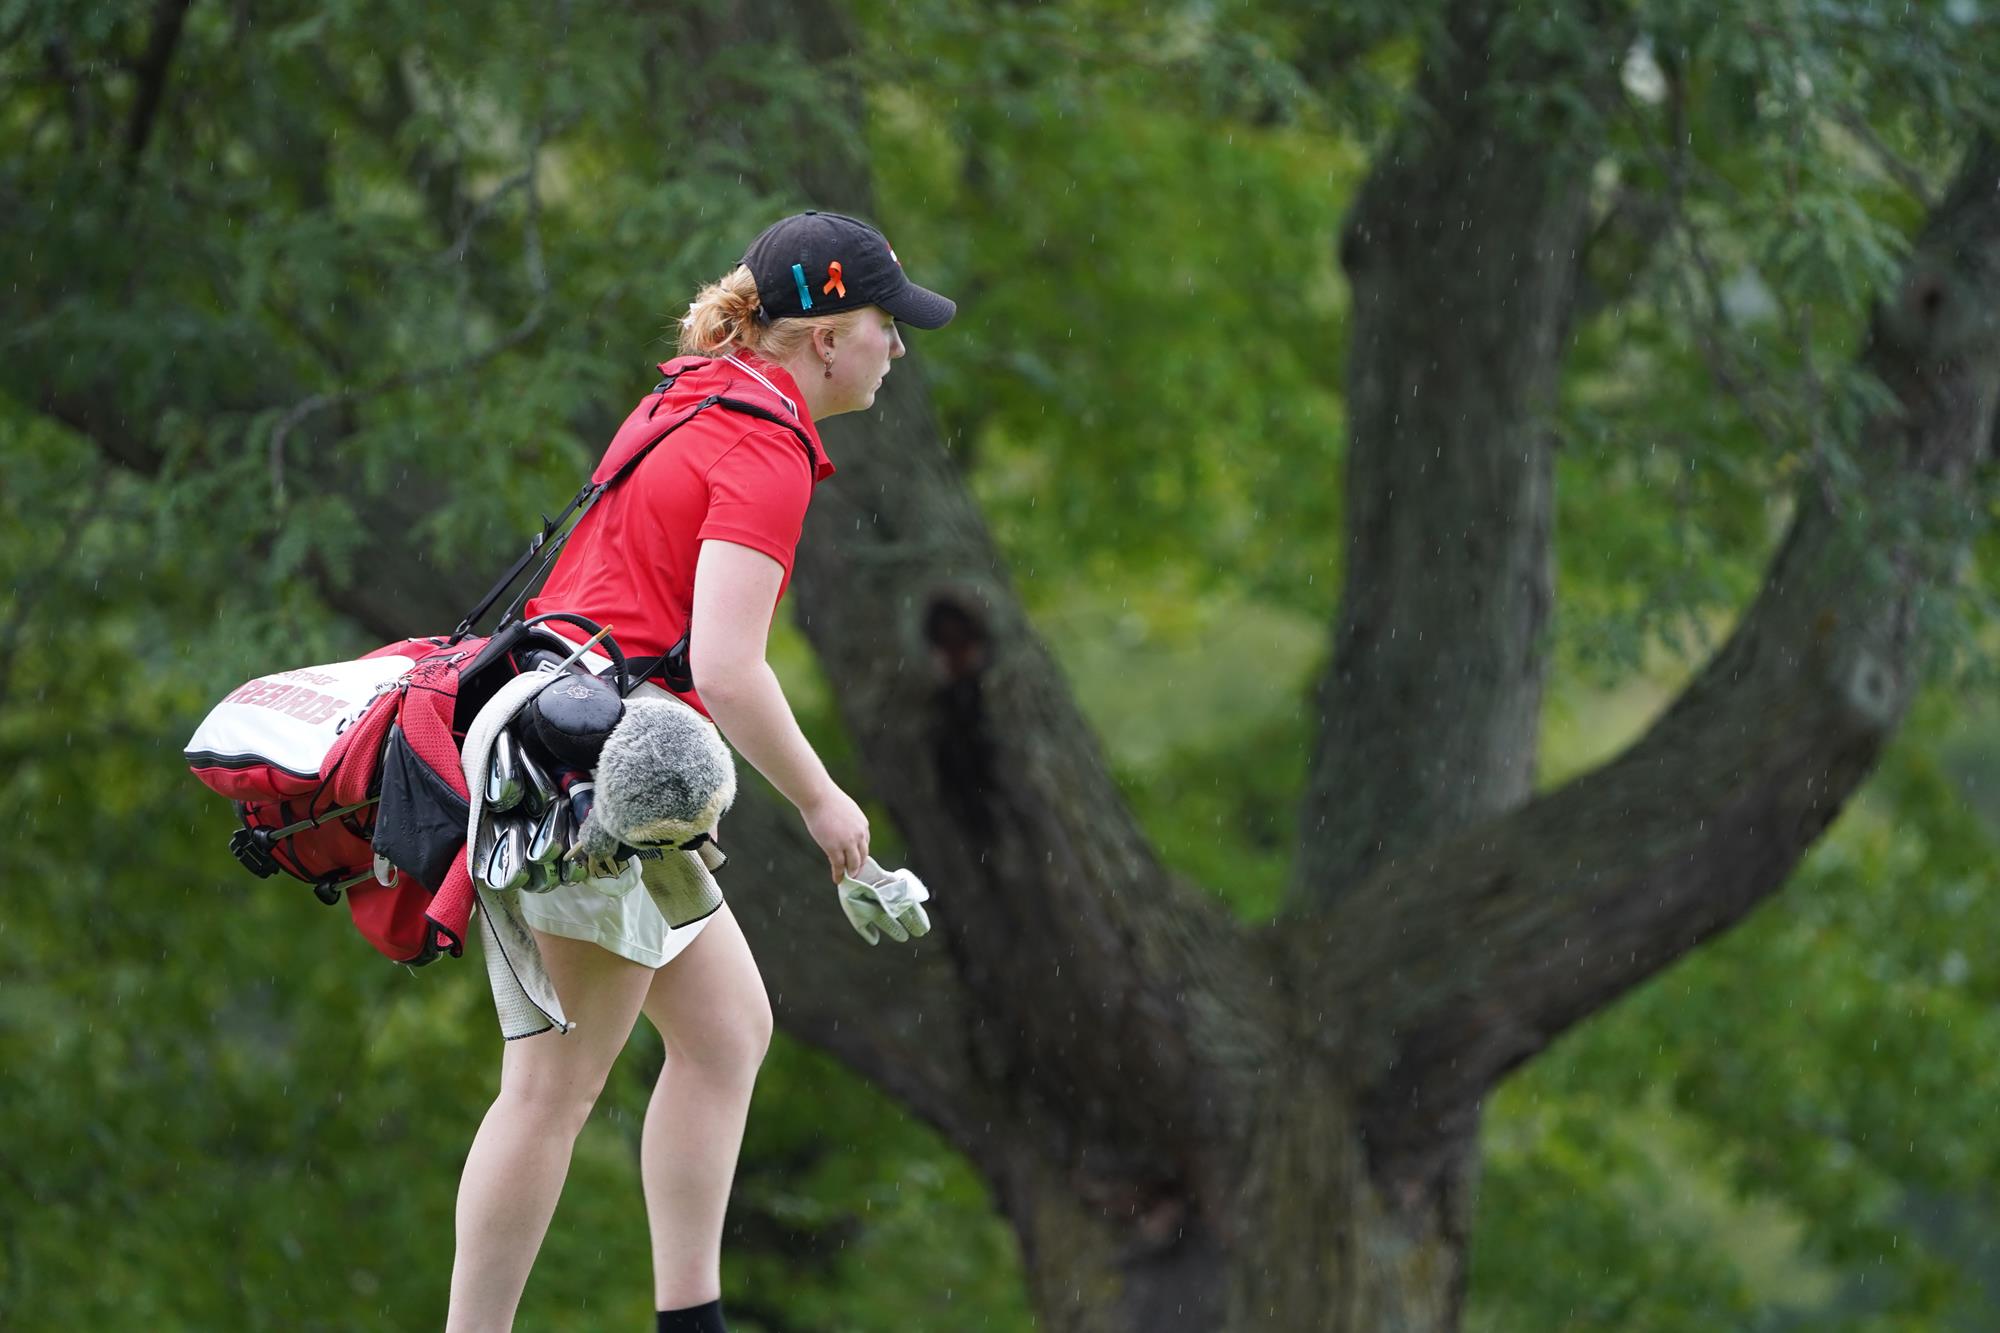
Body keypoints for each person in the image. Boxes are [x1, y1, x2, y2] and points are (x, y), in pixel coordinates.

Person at [444, 210, 955, 1333]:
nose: (897, 347)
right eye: (883, 324)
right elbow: (726, 669)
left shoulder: (693, 392)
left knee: (725, 1031)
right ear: (823, 335)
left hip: (577, 750)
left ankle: (692, 1321)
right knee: (550, 1087)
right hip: (588, 778)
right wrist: (825, 804)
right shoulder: (765, 444)